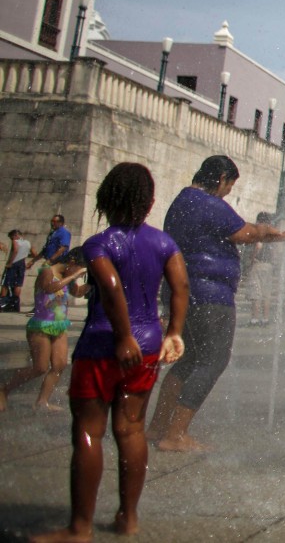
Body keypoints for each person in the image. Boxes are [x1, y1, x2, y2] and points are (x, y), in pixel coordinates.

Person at [32, 162, 189, 542]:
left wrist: (122, 337)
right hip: (149, 344)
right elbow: (181, 286)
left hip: (104, 344)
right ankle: (128, 517)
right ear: (150, 203)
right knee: (131, 429)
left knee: (88, 431)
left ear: (107, 198)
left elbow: (111, 285)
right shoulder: (165, 243)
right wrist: (173, 333)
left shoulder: (100, 243)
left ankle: (80, 527)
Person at [147, 155, 285, 453]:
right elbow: (247, 233)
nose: (229, 191)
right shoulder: (209, 204)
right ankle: (176, 434)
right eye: (230, 185)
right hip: (210, 296)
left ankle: (158, 426)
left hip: (182, 292)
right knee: (213, 361)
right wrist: (277, 235)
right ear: (220, 179)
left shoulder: (181, 201)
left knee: (188, 360)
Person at [0, 248, 89, 412]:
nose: (80, 273)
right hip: (40, 326)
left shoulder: (68, 276)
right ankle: (4, 389)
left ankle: (42, 401)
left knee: (59, 365)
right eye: (81, 269)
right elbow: (49, 288)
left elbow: (76, 292)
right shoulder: (47, 271)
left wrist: (91, 284)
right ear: (72, 263)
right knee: (40, 367)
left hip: (59, 325)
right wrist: (72, 276)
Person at [244, 211, 278, 326]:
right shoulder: (271, 233)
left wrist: (252, 258)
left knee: (256, 293)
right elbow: (274, 253)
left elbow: (258, 246)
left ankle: (254, 319)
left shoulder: (260, 231)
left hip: (258, 265)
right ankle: (265, 319)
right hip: (269, 266)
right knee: (266, 294)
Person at [1, 229, 32, 312]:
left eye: (11, 238)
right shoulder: (27, 243)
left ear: (15, 235)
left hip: (14, 263)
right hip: (22, 263)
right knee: (18, 284)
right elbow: (34, 252)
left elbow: (15, 250)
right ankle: (15, 304)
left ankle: (2, 303)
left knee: (5, 283)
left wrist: (10, 263)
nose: (11, 240)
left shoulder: (15, 241)